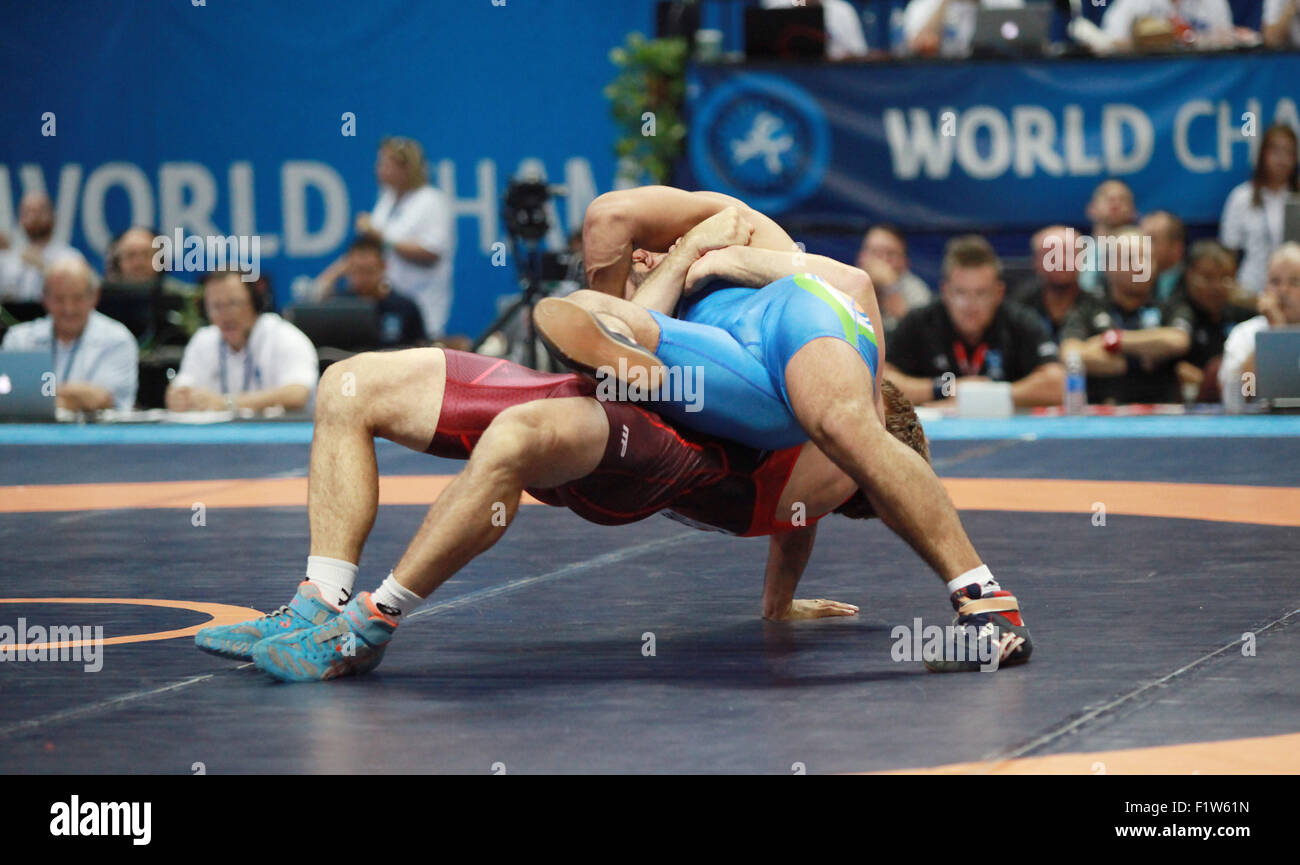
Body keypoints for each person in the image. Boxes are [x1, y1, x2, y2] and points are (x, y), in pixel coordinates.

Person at [195, 347, 932, 679]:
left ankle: (371, 622)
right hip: (581, 390)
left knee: (515, 439)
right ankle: (318, 600)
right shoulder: (802, 482)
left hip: (636, 452)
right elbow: (796, 525)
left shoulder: (841, 447)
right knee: (347, 386)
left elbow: (835, 478)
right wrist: (778, 604)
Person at [536, 188, 1032, 669]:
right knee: (594, 312)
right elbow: (855, 284)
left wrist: (704, 260)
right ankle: (985, 602)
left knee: (840, 426)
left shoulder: (723, 247)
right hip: (747, 350)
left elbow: (804, 507)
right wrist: (702, 259)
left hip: (766, 333)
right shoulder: (733, 232)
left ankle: (988, 606)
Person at [886, 235, 1064, 408]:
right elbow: (883, 382)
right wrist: (944, 388)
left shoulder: (1021, 321)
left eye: (981, 293)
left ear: (998, 293)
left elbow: (1058, 383)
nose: (970, 305)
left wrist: (992, 394)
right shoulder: (919, 322)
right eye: (961, 293)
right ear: (946, 291)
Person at [1059, 228, 1191, 404]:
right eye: (1129, 259)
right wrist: (1138, 359)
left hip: (1161, 416)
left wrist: (1111, 341)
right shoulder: (1087, 307)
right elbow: (1071, 356)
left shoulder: (1170, 305)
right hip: (1100, 416)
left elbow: (1177, 341)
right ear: (1107, 267)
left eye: (1146, 259)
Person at [166, 270, 319, 413]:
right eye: (216, 306)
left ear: (255, 303)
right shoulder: (203, 340)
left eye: (233, 303)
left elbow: (297, 394)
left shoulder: (284, 336)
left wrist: (227, 403)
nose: (225, 316)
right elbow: (181, 387)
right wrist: (179, 396)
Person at [1, 254, 138, 411]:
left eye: (77, 298)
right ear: (44, 299)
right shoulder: (19, 338)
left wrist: (37, 395)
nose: (69, 309)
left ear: (94, 297)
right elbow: (8, 396)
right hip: (33, 433)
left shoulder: (118, 339)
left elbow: (101, 399)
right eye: (59, 299)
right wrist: (76, 396)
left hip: (96, 434)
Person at [355, 137, 455, 338]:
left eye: (385, 163)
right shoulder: (386, 198)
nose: (379, 168)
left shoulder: (431, 201)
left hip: (423, 305)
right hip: (388, 306)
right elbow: (375, 249)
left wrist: (380, 235)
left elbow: (432, 251)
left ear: (405, 168)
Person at [1167, 240, 1256, 404]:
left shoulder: (1240, 313)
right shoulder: (1178, 309)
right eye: (1207, 277)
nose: (1216, 286)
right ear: (1189, 275)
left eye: (1225, 277)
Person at [1219, 124, 1299, 298]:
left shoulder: (1297, 197)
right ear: (1262, 154)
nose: (1282, 159)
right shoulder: (1242, 197)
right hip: (1251, 290)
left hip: (1295, 295)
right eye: (1276, 151)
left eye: (1289, 153)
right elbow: (1228, 254)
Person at [1219, 243, 1300, 412]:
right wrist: (1275, 332)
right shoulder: (1245, 334)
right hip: (1260, 427)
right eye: (1275, 282)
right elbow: (1240, 396)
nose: (1283, 290)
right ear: (1265, 287)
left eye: (1294, 282)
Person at [314, 234, 427, 348]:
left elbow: (420, 347)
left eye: (369, 271)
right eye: (357, 270)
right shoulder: (337, 306)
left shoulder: (405, 307)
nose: (363, 278)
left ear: (383, 267)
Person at [101, 226, 201, 347]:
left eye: (147, 254)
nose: (139, 263)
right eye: (131, 255)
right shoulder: (97, 301)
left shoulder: (181, 296)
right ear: (116, 262)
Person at [1010, 225, 1086, 343]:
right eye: (1052, 254)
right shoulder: (1017, 308)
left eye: (1069, 253)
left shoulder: (1101, 305)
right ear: (1036, 261)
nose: (1062, 261)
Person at [0, 192, 77, 304]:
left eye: (39, 211)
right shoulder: (9, 259)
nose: (33, 217)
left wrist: (43, 266)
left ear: (53, 216)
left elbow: (78, 289)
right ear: (19, 219)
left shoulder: (70, 257)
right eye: (27, 212)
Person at [855, 225, 932, 334]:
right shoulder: (847, 284)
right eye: (875, 252)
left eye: (890, 254)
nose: (882, 261)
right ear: (862, 257)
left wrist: (890, 287)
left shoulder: (916, 291)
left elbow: (920, 334)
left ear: (904, 261)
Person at [1100, 0, 1245, 51]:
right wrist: (1141, 43)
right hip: (1152, 76)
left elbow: (1228, 41)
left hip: (1201, 77)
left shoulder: (1213, 2)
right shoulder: (1135, 2)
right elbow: (1108, 42)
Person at [903, 0, 1025, 58]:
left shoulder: (1006, 2)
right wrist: (944, 3)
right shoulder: (923, 6)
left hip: (998, 77)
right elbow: (919, 46)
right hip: (942, 83)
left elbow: (1029, 41)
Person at [1080, 180, 1138, 296]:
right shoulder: (1076, 252)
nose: (1115, 203)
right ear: (1091, 209)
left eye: (1122, 199)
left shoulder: (1143, 254)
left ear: (1133, 212)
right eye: (1107, 198)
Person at [1139, 210, 1186, 303]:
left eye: (1152, 239)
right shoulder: (1134, 282)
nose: (1142, 246)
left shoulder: (1192, 284)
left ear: (1176, 248)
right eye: (1141, 238)